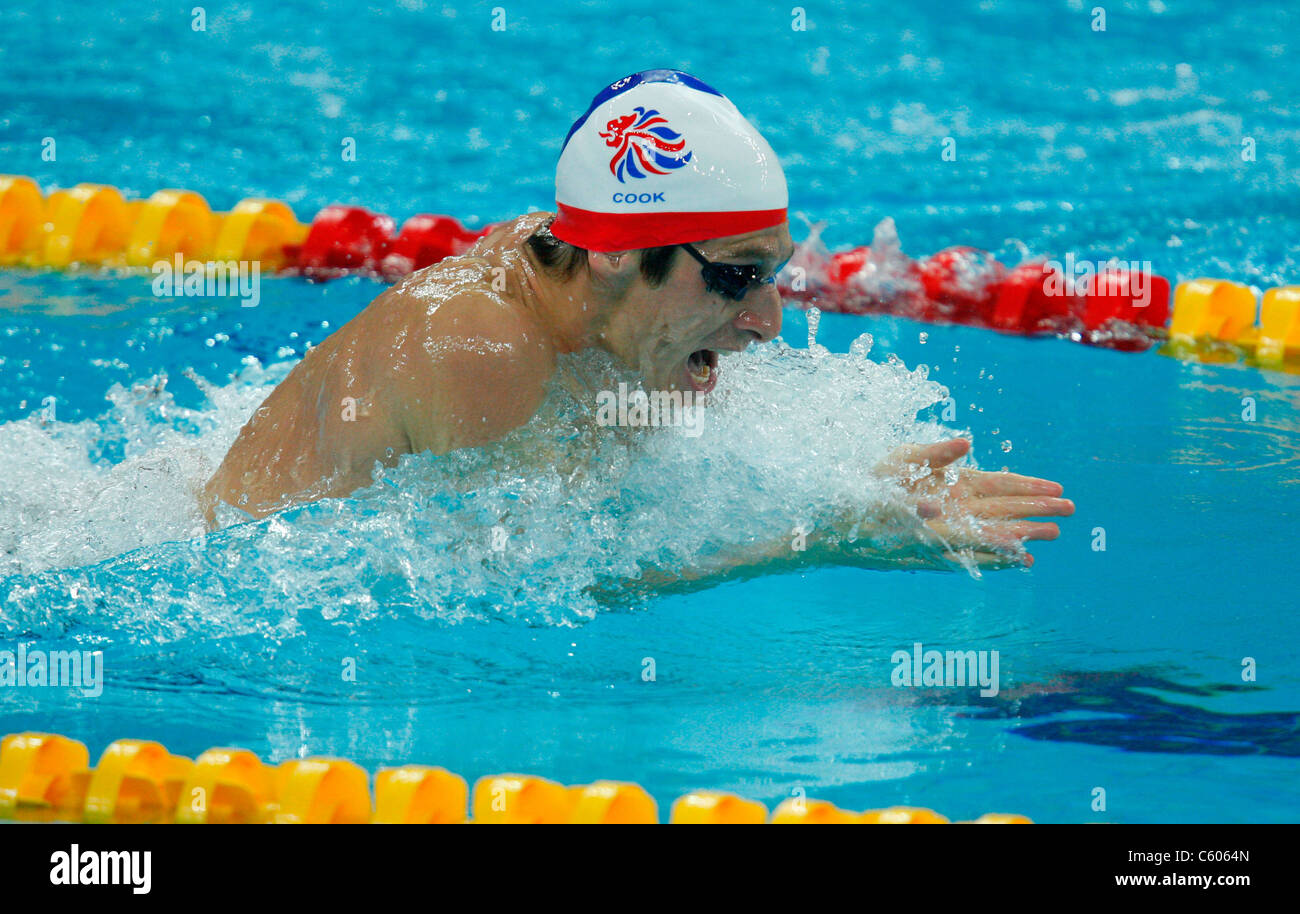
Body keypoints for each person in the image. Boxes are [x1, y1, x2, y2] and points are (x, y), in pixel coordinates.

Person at [203, 69, 1072, 569]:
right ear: (620, 254)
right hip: (229, 579)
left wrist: (855, 483)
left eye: (775, 275)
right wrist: (826, 538)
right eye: (737, 278)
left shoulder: (588, 292)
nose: (767, 321)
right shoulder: (482, 346)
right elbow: (525, 584)